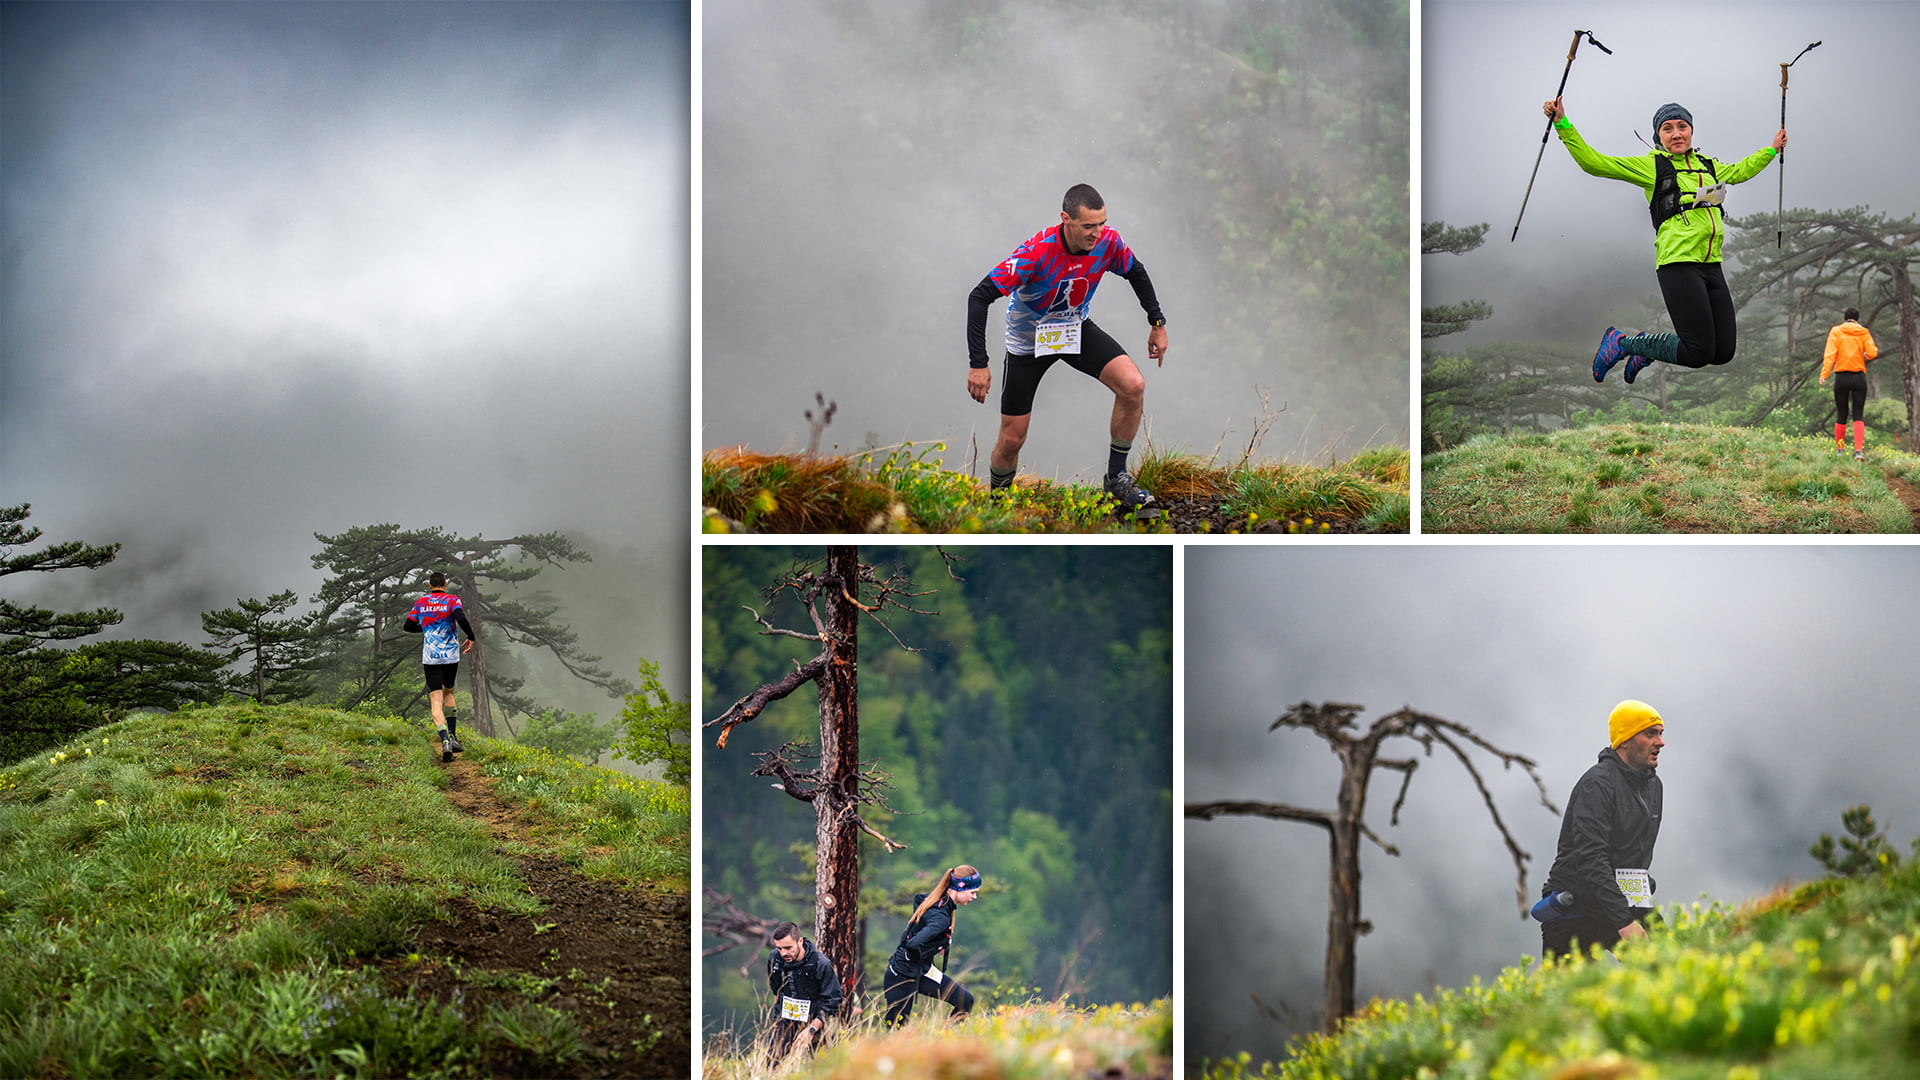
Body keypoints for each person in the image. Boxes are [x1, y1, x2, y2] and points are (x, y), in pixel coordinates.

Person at [1542, 98, 1787, 386]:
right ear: (1658, 136)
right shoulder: (1652, 166)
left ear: (1691, 131)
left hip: (1711, 265)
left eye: (1682, 126)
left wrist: (1772, 149)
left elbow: (1741, 171)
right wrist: (1562, 124)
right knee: (1697, 352)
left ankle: (1646, 346)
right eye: (1667, 129)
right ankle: (1622, 344)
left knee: (1722, 352)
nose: (1676, 134)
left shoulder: (1708, 165)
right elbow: (1594, 163)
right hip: (1677, 264)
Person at [965, 184, 1169, 514]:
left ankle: (1116, 478)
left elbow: (1136, 272)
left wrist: (1157, 323)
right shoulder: (1036, 252)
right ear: (1065, 219)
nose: (1097, 233)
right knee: (1012, 438)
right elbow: (979, 296)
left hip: (1073, 330)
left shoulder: (1108, 242)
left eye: (1102, 223)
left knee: (1133, 386)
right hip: (1028, 344)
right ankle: (997, 505)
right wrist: (979, 363)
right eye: (1089, 226)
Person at [1538, 700, 1665, 960]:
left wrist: (1640, 904)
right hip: (1575, 911)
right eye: (1650, 733)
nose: (1660, 742)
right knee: (1569, 999)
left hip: (1620, 902)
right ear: (1625, 740)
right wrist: (1625, 923)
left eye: (1661, 734)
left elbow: (1635, 858)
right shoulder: (1596, 784)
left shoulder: (1654, 787)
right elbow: (1591, 858)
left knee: (1671, 966)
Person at [881, 864, 981, 1027]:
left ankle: (944, 1037)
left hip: (923, 971)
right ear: (960, 888)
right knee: (896, 1029)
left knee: (965, 1000)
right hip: (901, 975)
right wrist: (933, 946)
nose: (974, 897)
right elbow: (912, 944)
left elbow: (918, 899)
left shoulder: (936, 902)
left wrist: (935, 944)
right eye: (973, 892)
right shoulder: (940, 918)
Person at [404, 572, 475, 763]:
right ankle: (453, 737)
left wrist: (427, 627)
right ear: (446, 583)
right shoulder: (452, 600)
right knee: (449, 693)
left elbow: (408, 626)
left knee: (435, 699)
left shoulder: (421, 603)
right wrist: (471, 636)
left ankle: (444, 740)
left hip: (431, 657)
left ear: (429, 585)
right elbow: (460, 617)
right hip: (451, 656)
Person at [764, 921, 843, 1063]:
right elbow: (775, 988)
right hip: (786, 1018)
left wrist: (812, 1030)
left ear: (800, 941)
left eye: (788, 948)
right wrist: (777, 1020)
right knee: (771, 1064)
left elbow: (833, 1001)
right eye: (779, 948)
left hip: (816, 1022)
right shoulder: (775, 959)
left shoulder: (821, 964)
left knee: (820, 1067)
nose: (784, 953)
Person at [1821, 307, 1879, 460]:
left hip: (1841, 377)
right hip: (1859, 377)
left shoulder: (1836, 331)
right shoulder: (1863, 332)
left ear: (1845, 318)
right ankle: (1858, 451)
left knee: (1842, 413)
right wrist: (1866, 354)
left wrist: (1824, 375)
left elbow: (1830, 354)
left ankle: (1840, 450)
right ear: (1857, 319)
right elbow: (1872, 352)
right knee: (1858, 414)